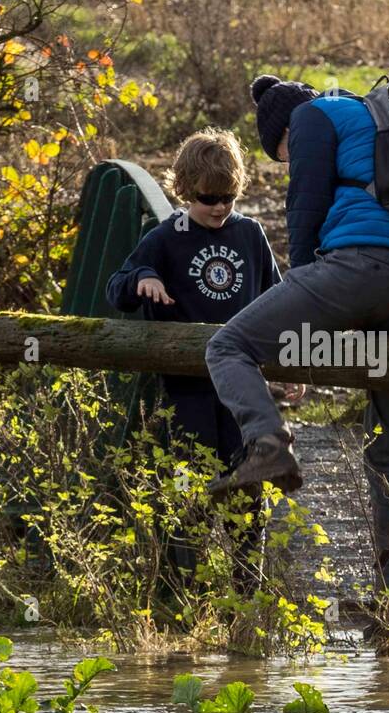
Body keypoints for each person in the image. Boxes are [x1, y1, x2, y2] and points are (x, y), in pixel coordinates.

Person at [205, 75, 389, 626]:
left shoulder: (315, 117)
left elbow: (305, 208)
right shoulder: (374, 118)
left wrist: (300, 297)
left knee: (228, 345)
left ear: (286, 129)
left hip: (362, 271)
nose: (288, 161)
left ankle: (268, 444)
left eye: (282, 152)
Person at [106, 127, 296, 596]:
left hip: (243, 395)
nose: (219, 208)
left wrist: (292, 366)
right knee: (189, 494)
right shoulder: (167, 236)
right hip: (187, 391)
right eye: (209, 198)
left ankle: (245, 599)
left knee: (250, 497)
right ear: (187, 190)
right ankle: (182, 597)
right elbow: (118, 286)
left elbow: (278, 302)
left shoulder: (250, 235)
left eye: (228, 198)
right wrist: (143, 280)